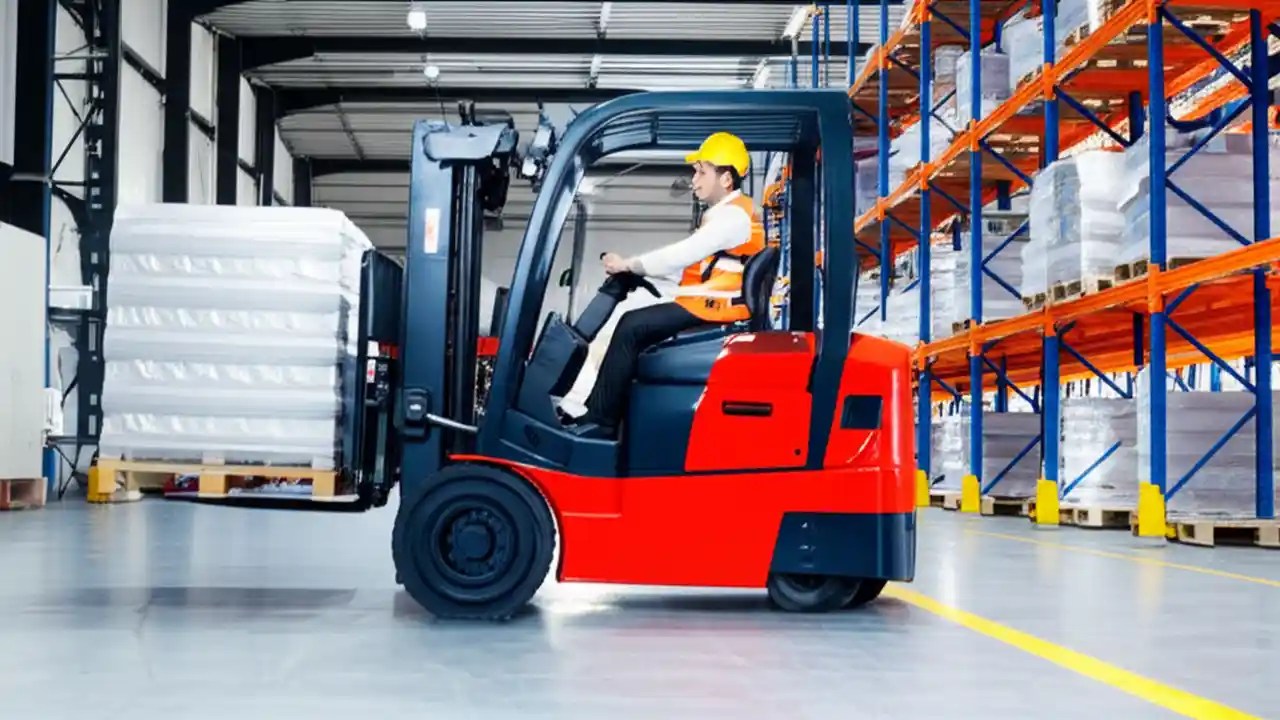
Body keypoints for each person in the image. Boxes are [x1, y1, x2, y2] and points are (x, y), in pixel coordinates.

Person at [575, 131, 766, 434]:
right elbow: (689, 269)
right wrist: (640, 272)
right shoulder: (725, 215)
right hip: (708, 303)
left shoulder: (734, 216)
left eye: (701, 171)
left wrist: (630, 264)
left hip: (718, 308)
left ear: (726, 179)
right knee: (635, 325)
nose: (694, 178)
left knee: (631, 326)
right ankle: (609, 417)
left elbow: (683, 253)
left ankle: (601, 422)